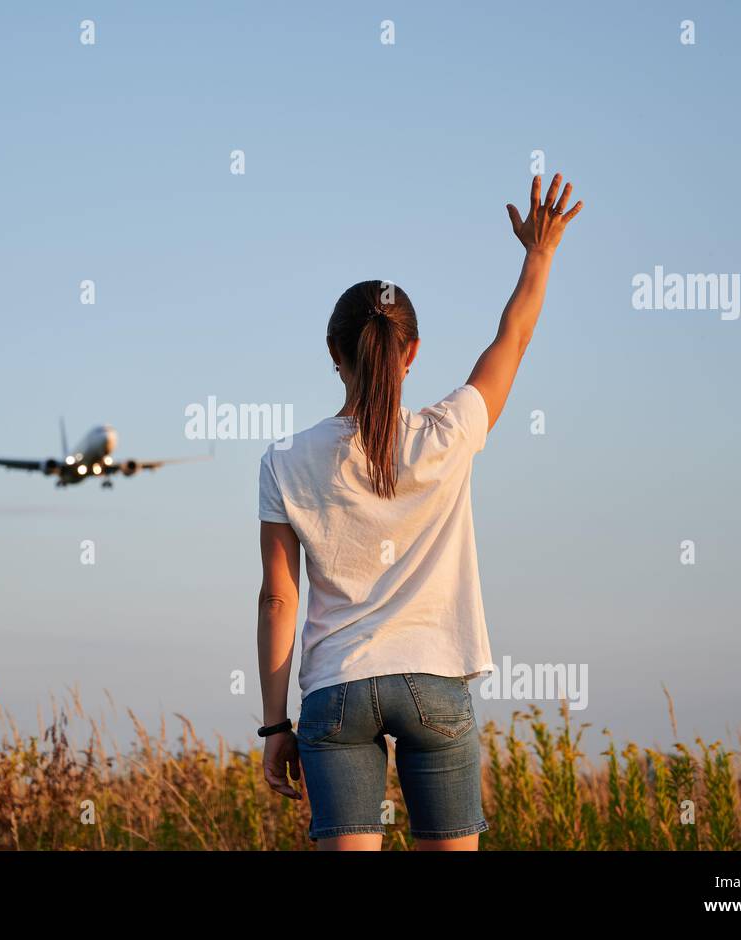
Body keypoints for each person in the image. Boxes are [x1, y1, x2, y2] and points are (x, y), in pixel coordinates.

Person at [255, 173, 583, 850]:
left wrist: (274, 726)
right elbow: (513, 337)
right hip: (434, 683)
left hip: (335, 692)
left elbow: (277, 600)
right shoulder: (451, 431)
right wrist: (538, 254)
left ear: (333, 355)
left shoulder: (285, 459)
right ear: (412, 354)